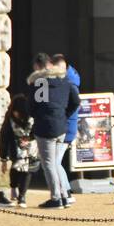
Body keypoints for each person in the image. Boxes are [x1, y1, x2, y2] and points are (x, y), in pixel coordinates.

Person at [26, 52, 80, 209]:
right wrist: (64, 114)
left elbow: (32, 106)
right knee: (55, 162)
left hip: (45, 126)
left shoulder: (38, 82)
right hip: (61, 125)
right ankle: (64, 195)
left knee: (49, 163)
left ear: (37, 66)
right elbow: (75, 101)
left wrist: (38, 116)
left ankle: (56, 197)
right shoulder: (65, 80)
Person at [0, 93, 39, 208]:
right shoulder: (9, 119)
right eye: (14, 111)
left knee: (28, 171)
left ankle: (22, 197)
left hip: (31, 150)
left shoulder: (32, 118)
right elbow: (4, 138)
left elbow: (37, 132)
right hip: (15, 149)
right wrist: (3, 158)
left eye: (18, 111)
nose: (16, 114)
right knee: (16, 169)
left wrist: (29, 139)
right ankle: (13, 187)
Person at [52, 54, 80, 204]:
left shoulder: (69, 83)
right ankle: (66, 191)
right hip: (67, 125)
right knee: (56, 161)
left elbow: (73, 104)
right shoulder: (70, 80)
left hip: (66, 126)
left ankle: (66, 193)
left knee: (55, 162)